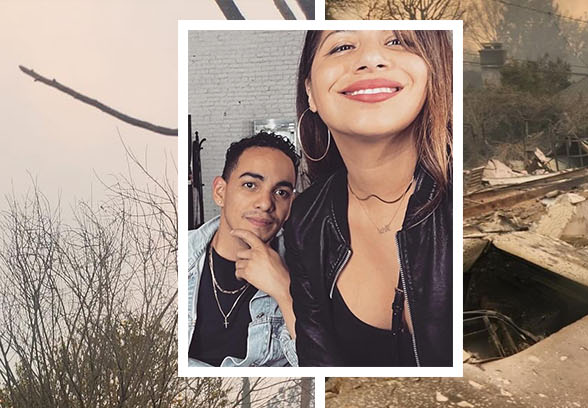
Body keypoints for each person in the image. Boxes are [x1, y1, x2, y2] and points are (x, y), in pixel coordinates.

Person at [284, 27, 453, 368]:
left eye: (399, 41)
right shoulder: (305, 220)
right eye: (342, 45)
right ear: (311, 93)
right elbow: (320, 364)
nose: (371, 59)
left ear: (435, 71)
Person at [184, 132, 299, 368]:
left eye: (281, 192)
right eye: (250, 185)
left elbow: (319, 368)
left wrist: (285, 294)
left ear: (289, 207)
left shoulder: (304, 273)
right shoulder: (174, 256)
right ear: (220, 192)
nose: (266, 203)